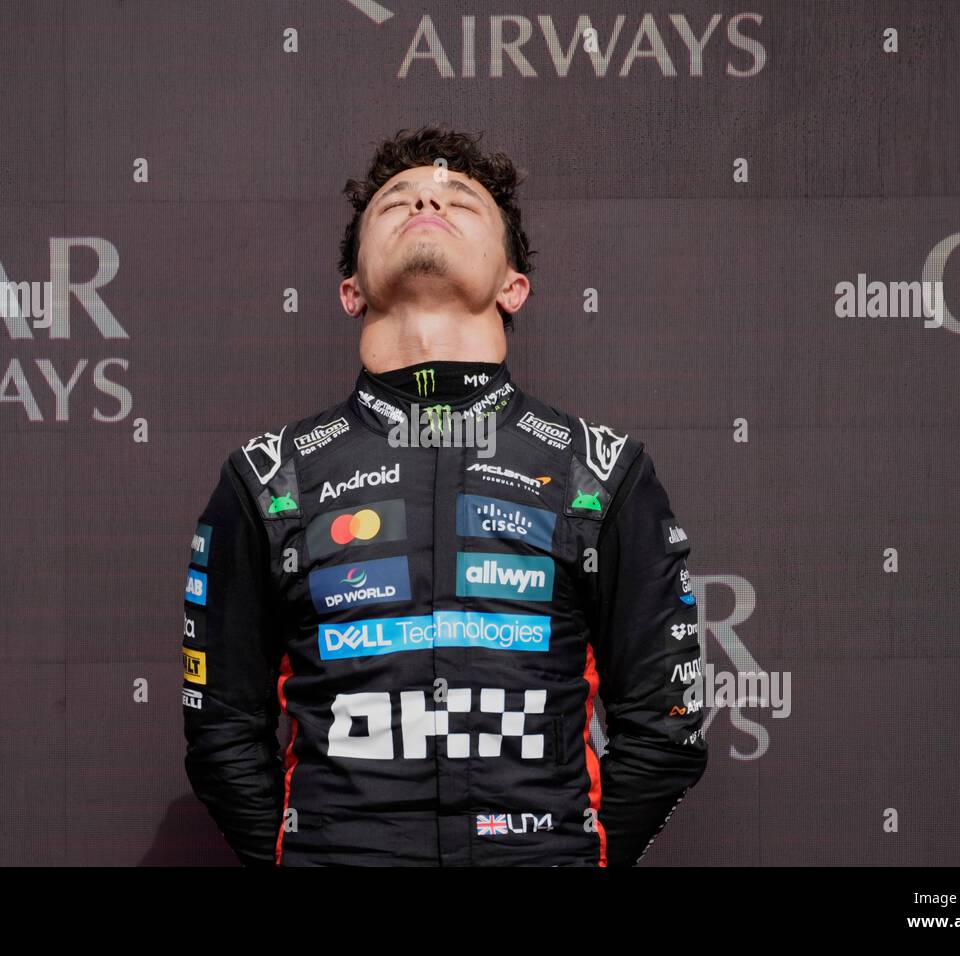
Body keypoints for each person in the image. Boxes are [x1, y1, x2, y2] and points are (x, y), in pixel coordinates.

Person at [181, 124, 707, 867]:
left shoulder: (603, 471)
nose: (426, 196)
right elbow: (221, 735)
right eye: (397, 199)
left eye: (461, 199)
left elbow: (667, 727)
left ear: (512, 284)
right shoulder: (269, 477)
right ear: (350, 288)